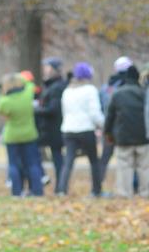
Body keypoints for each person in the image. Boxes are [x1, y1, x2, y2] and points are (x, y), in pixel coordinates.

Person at [58, 62, 105, 197]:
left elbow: (64, 111)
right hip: (85, 129)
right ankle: (96, 190)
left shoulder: (67, 91)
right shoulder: (90, 90)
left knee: (68, 160)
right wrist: (103, 124)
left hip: (68, 130)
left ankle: (62, 189)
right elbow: (94, 112)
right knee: (94, 161)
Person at [0, 73, 44, 197]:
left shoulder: (4, 100)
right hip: (29, 134)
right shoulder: (28, 94)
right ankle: (37, 191)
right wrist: (20, 77)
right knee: (33, 164)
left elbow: (1, 113)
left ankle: (16, 191)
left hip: (12, 135)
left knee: (13, 164)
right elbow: (30, 83)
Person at [103, 64, 146, 197]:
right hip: (143, 136)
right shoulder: (144, 93)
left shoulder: (117, 94)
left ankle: (124, 193)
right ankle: (146, 193)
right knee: (144, 167)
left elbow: (110, 116)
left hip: (123, 137)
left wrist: (108, 133)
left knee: (124, 166)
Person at [35, 57, 67, 182]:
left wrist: (36, 109)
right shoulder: (50, 85)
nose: (45, 70)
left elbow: (53, 108)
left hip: (54, 129)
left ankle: (60, 186)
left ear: (54, 70)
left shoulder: (57, 87)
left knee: (57, 158)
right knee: (55, 157)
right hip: (48, 128)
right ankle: (55, 183)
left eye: (47, 67)